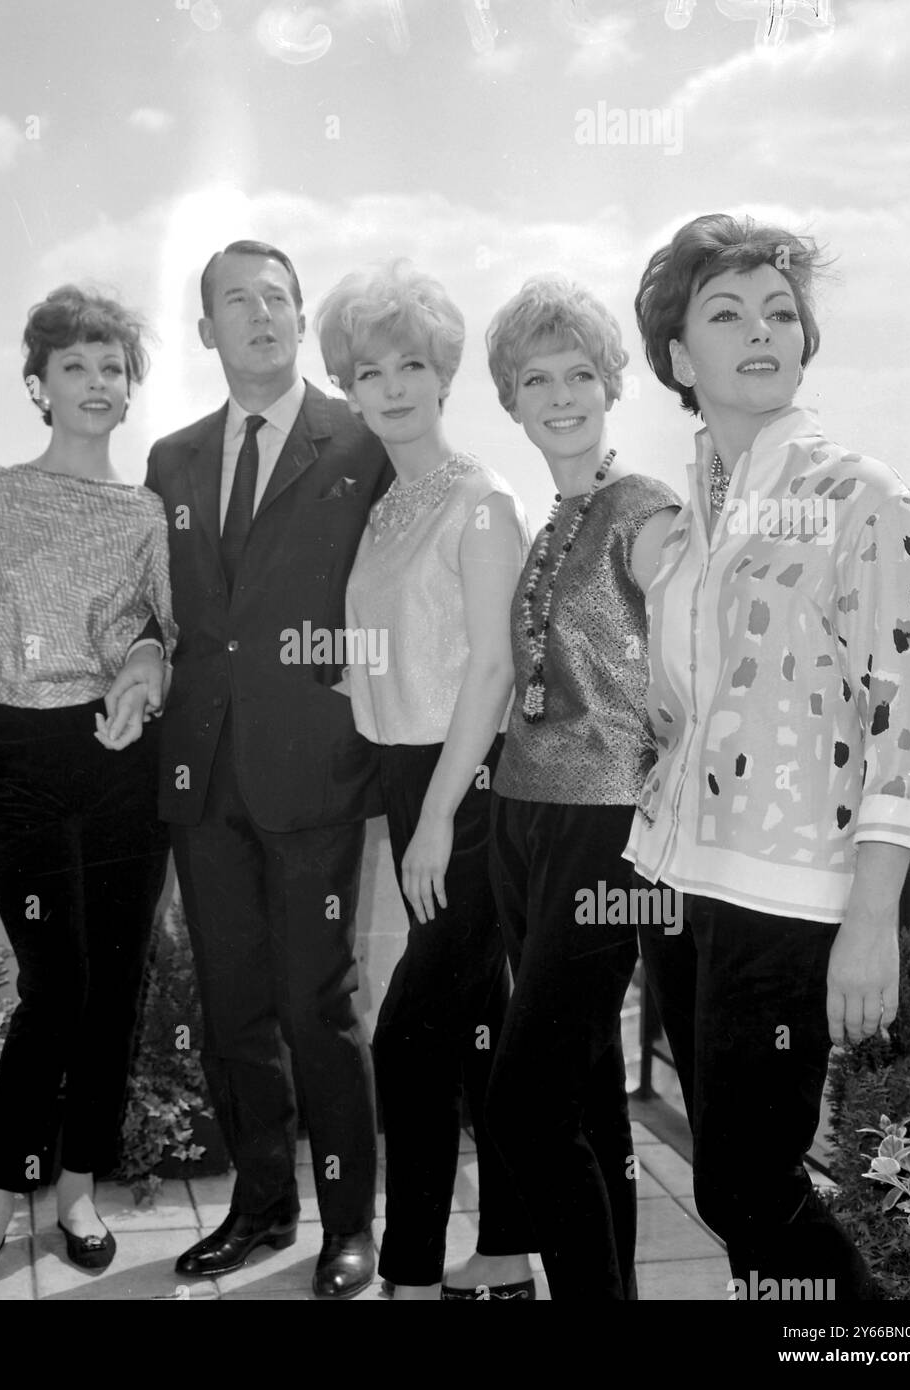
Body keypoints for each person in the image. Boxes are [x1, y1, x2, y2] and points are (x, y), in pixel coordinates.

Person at [628, 213, 910, 1300]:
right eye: (725, 313)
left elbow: (906, 716)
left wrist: (873, 917)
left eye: (779, 312)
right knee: (738, 1188)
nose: (760, 329)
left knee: (748, 1185)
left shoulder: (863, 495)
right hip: (678, 885)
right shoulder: (687, 528)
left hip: (795, 893)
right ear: (679, 358)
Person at [140, 240, 390, 1298]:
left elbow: (406, 583)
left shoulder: (364, 439)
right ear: (207, 330)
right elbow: (168, 614)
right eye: (235, 302)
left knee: (315, 1009)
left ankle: (347, 1226)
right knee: (235, 1006)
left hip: (315, 777)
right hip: (202, 779)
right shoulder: (173, 457)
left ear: (300, 318)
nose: (261, 315)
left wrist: (362, 678)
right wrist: (146, 654)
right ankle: (258, 1209)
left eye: (278, 298)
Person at [0, 285, 175, 1299]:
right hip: (17, 755)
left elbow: (153, 626)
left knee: (113, 985)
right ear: (38, 385)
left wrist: (144, 671)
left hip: (117, 755)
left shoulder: (144, 510)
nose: (99, 382)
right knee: (54, 985)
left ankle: (74, 1190)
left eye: (113, 366)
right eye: (77, 365)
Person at [314, 261, 535, 1301]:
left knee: (408, 1034)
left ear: (444, 372)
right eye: (369, 369)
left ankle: (409, 1272)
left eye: (412, 362)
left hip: (474, 786)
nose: (393, 384)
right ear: (351, 388)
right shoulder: (390, 506)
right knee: (476, 1025)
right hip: (413, 782)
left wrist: (442, 816)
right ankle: (503, 1256)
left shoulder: (481, 501)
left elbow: (493, 667)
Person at [480, 275, 680, 1300]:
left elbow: (695, 640)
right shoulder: (550, 514)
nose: (559, 395)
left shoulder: (643, 508)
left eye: (579, 375)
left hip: (611, 832)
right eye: (534, 379)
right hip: (522, 818)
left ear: (611, 386)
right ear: (511, 400)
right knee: (589, 1093)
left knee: (522, 1103)